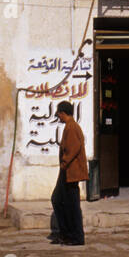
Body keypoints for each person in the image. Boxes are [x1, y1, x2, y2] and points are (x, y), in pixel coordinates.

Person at [51, 101, 87, 246]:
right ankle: (66, 234)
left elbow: (72, 149)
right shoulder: (70, 126)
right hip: (66, 170)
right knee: (58, 200)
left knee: (72, 205)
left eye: (58, 114)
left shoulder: (72, 127)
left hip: (70, 171)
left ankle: (76, 237)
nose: (58, 117)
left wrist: (64, 164)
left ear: (62, 113)